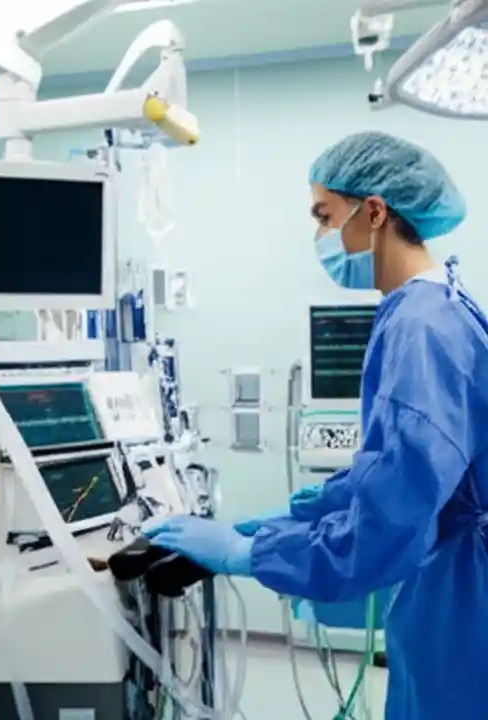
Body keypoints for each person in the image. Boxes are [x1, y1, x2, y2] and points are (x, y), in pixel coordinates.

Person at [144, 130, 487, 719]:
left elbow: (391, 521)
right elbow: (397, 468)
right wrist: (304, 513)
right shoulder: (438, 305)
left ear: (374, 212)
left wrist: (251, 554)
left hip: (463, 608)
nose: (320, 236)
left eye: (325, 216)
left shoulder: (424, 329)